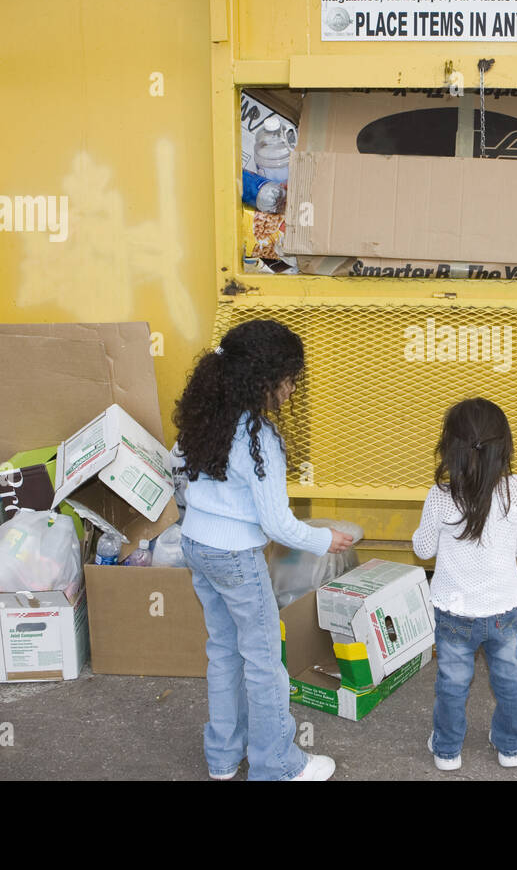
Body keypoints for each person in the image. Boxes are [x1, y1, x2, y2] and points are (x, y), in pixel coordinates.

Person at [174, 319, 356, 781]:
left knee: (223, 652)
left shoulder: (204, 420)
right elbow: (277, 524)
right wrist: (324, 540)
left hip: (196, 544)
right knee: (264, 662)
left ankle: (222, 756)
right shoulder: (259, 441)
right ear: (264, 381)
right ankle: (277, 764)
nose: (293, 389)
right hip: (235, 557)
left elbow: (178, 476)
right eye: (289, 379)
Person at [412, 398, 517, 771]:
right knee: (509, 678)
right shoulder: (515, 488)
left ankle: (448, 751)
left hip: (454, 612)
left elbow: (422, 549)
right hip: (503, 610)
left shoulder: (441, 497)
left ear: (450, 447)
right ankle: (511, 747)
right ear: (504, 446)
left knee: (452, 683)